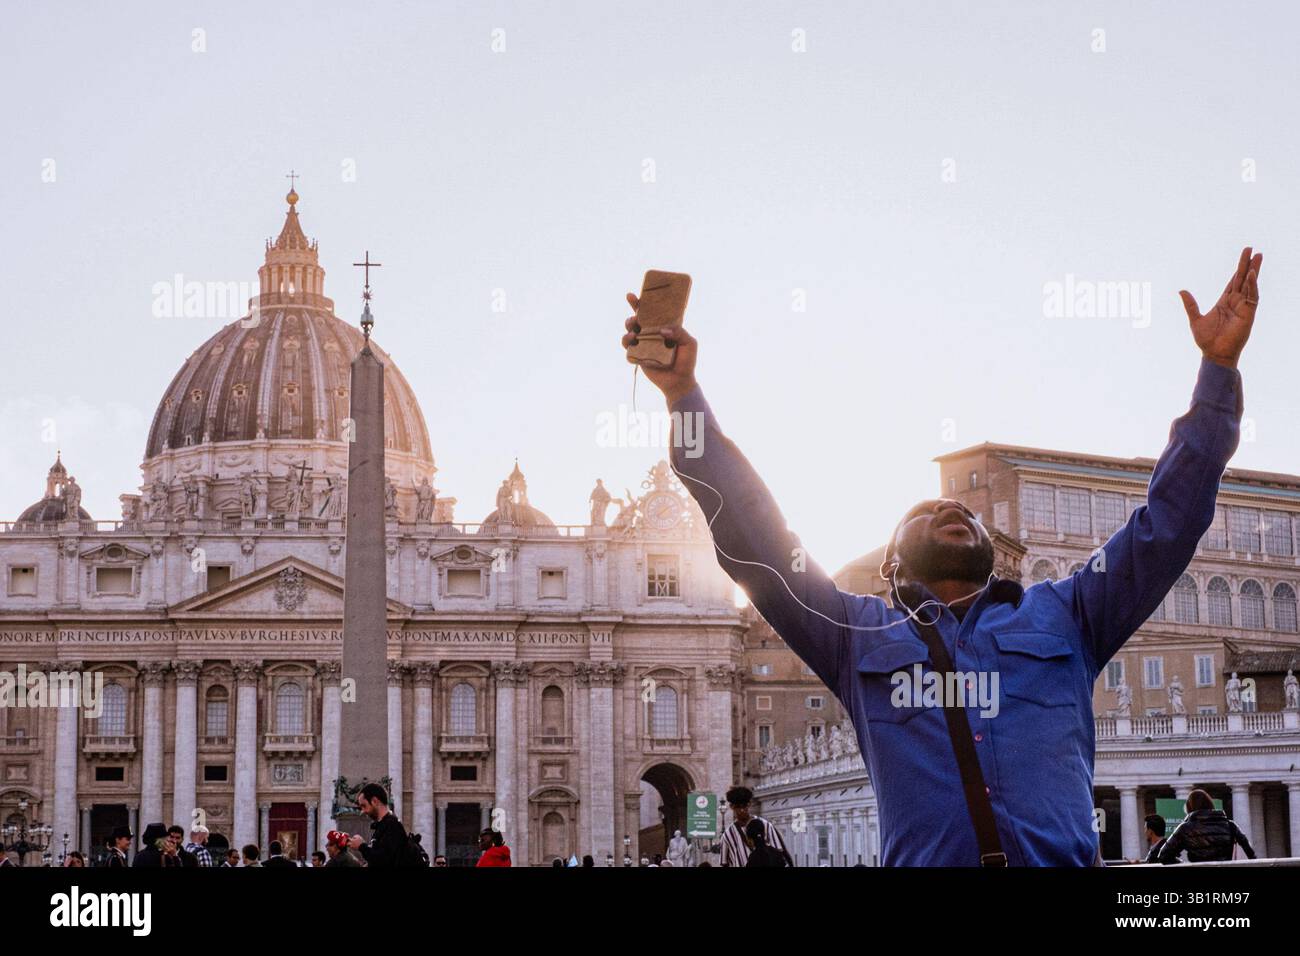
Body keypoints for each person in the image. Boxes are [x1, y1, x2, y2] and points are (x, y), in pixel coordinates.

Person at [622, 248, 1262, 866]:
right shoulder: (853, 632)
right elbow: (753, 535)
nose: (951, 508)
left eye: (963, 513)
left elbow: (1167, 525)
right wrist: (684, 397)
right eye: (923, 513)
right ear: (893, 567)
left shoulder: (1070, 612)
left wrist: (1217, 372)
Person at [1158, 790, 1256, 864]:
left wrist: (1183, 864)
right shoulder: (1230, 825)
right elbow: (1250, 852)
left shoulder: (1184, 828)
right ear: (1210, 804)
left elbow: (1163, 856)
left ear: (1189, 807)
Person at [719, 786, 792, 868]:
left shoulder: (766, 826)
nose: (742, 810)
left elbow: (782, 853)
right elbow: (725, 863)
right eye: (738, 807)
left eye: (744, 806)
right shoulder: (727, 835)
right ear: (732, 807)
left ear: (749, 804)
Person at [347, 783, 409, 867]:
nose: (363, 811)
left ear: (375, 801)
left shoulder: (392, 825)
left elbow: (384, 860)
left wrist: (361, 846)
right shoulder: (382, 825)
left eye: (364, 806)